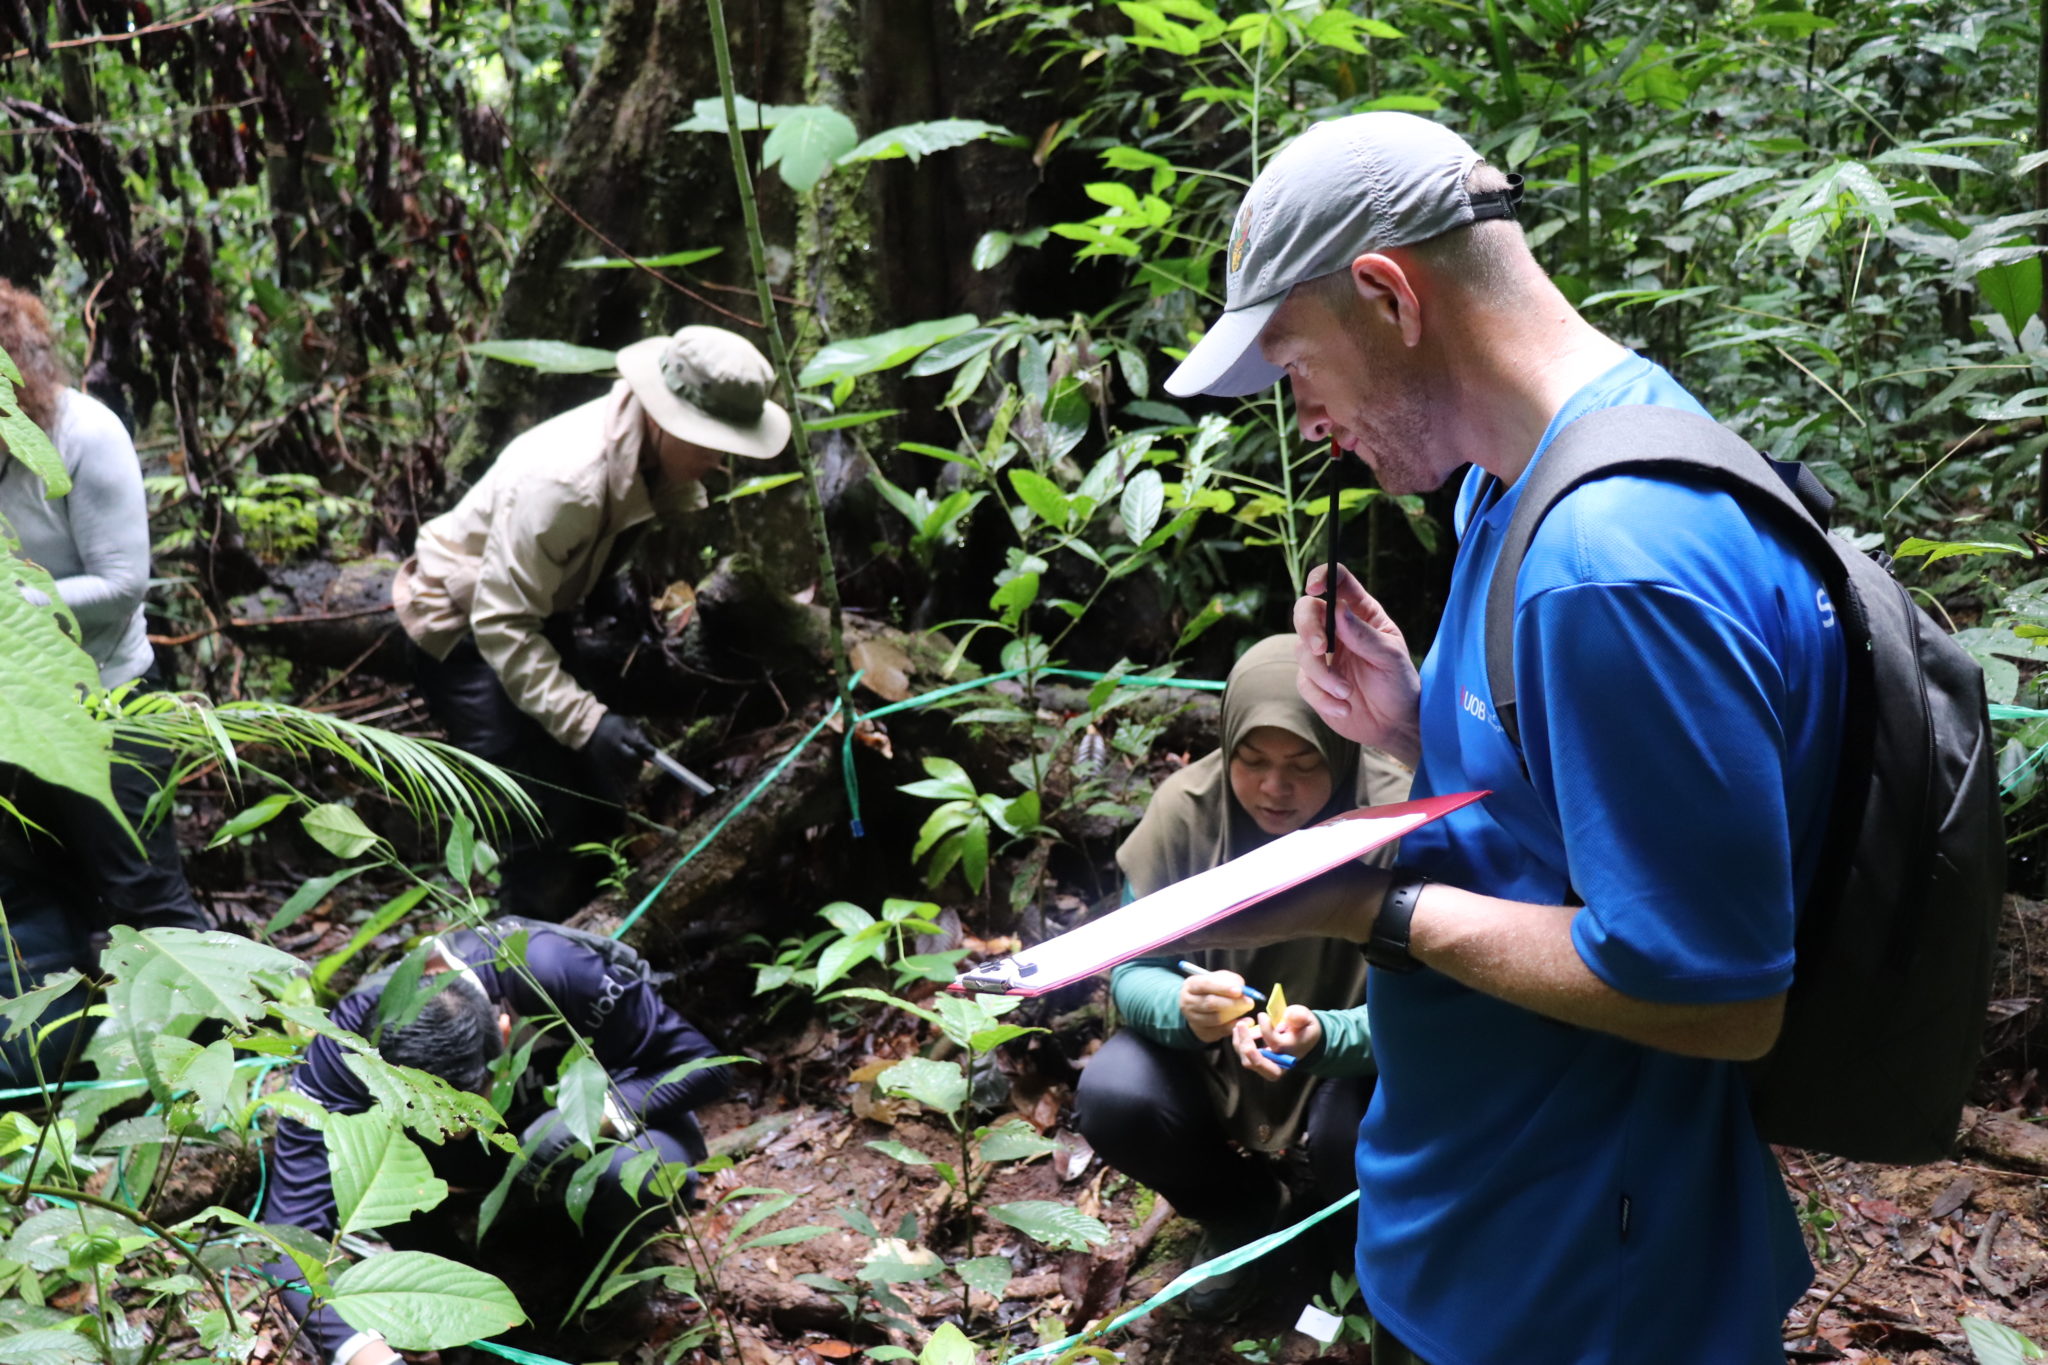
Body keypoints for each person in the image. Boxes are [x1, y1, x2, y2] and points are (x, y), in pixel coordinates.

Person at [1162, 113, 1847, 1365]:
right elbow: (1573, 816)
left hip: (1587, 1276)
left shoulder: (1610, 558)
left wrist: (1364, 912)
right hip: (1485, 1212)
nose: (1305, 421)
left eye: (1295, 368)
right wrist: (1417, 718)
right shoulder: (1512, 477)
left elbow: (1719, 998)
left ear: (1387, 294)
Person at [392, 326, 790, 918]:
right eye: (711, 443)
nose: (720, 460)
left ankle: (595, 961)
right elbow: (501, 625)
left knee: (598, 811)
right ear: (666, 417)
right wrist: (590, 722)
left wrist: (609, 584)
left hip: (532, 611)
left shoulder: (641, 451)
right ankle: (519, 988)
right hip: (464, 625)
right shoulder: (566, 485)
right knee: (540, 824)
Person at [1072, 635, 1409, 1312]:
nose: (1273, 788)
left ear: (1342, 748)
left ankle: (1355, 1247)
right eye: (1250, 760)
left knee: (1363, 1123)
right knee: (1115, 1092)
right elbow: (1135, 967)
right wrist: (1185, 1007)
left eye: (1303, 763)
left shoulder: (1401, 818)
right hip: (1223, 1051)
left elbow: (1437, 1006)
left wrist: (1328, 1037)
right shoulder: (1186, 811)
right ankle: (1245, 1210)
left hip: (1352, 1059)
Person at [262, 918, 734, 1365]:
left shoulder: (551, 972)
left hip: (587, 1156)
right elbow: (289, 1234)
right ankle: (469, 1313)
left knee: (647, 1174)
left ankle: (606, 1278)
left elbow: (707, 1066)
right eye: (419, 1112)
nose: (444, 1128)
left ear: (504, 1035)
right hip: (452, 1199)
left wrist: (593, 1117)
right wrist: (363, 1353)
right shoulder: (342, 1051)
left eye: (459, 1109)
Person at [0, 282, 207, 955]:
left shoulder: (83, 434)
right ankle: (76, 1053)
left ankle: (215, 1049)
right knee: (40, 899)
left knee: (142, 893)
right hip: (18, 717)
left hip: (109, 703)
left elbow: (122, 582)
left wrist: (15, 606)